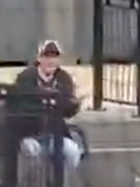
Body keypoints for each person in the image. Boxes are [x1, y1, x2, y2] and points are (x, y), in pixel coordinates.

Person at [7, 40, 84, 170]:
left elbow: (68, 110)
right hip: (30, 134)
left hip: (56, 135)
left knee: (72, 151)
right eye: (46, 56)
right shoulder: (25, 78)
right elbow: (19, 107)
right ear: (39, 58)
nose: (51, 61)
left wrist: (73, 104)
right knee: (32, 152)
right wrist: (46, 104)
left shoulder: (64, 79)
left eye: (54, 57)